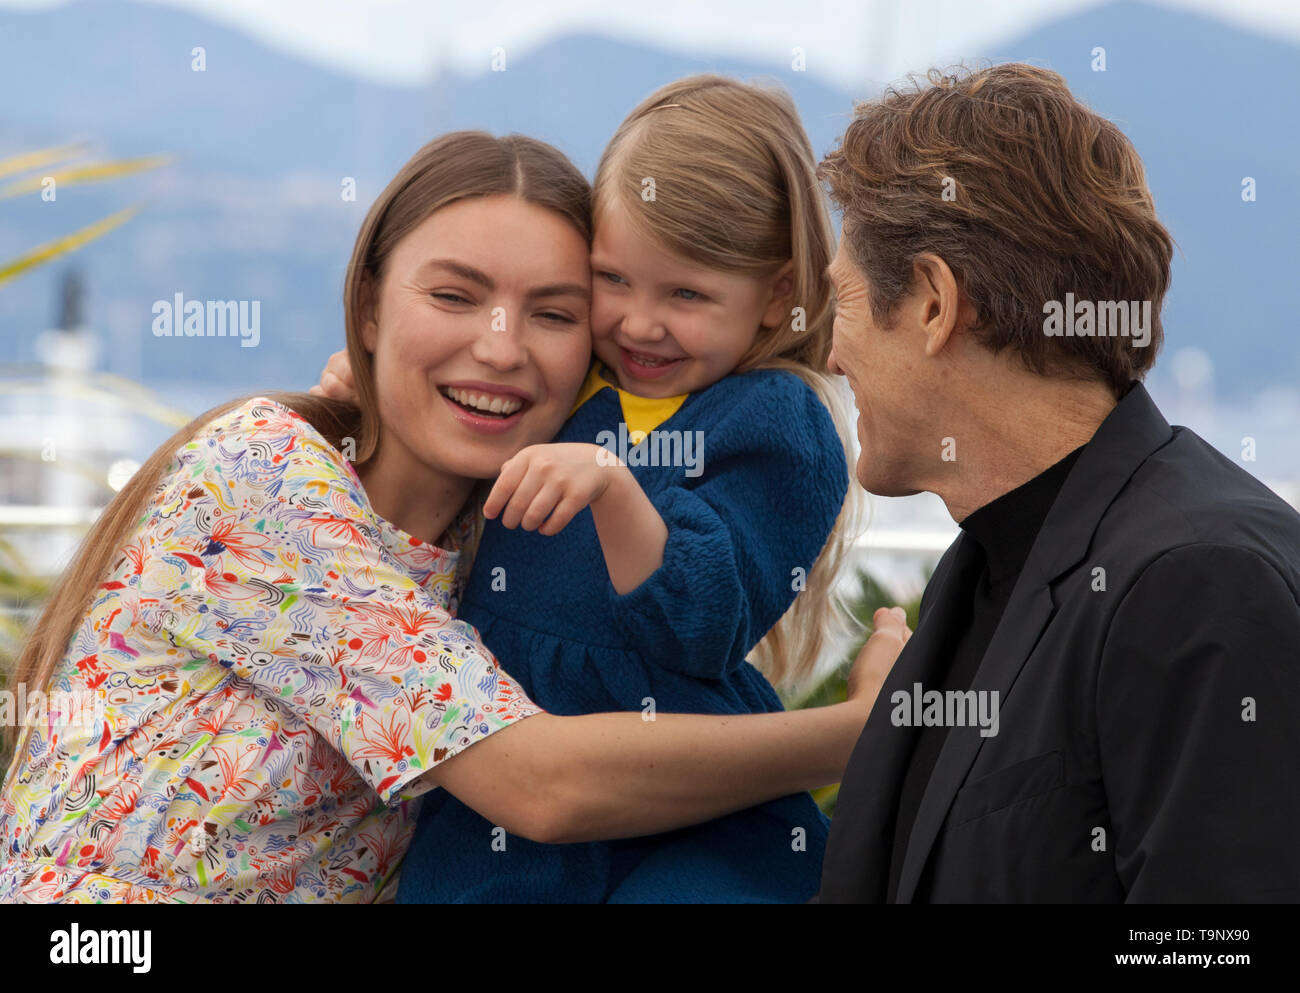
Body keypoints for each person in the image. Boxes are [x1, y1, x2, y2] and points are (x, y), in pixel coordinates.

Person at [0, 131, 908, 904]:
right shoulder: (264, 472)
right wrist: (859, 730)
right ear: (366, 306)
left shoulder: (505, 541)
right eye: (452, 296)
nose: (501, 346)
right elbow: (540, 784)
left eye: (554, 313)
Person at [815, 63, 1300, 903]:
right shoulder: (994, 562)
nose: (829, 353)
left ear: (933, 302)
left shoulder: (1200, 582)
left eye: (843, 305)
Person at [398, 74, 859, 903]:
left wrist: (615, 488)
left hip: (678, 810)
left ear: (776, 298)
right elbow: (461, 414)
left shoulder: (779, 423)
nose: (639, 323)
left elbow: (701, 624)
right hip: (502, 794)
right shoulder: (576, 377)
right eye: (613, 280)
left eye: (685, 293)